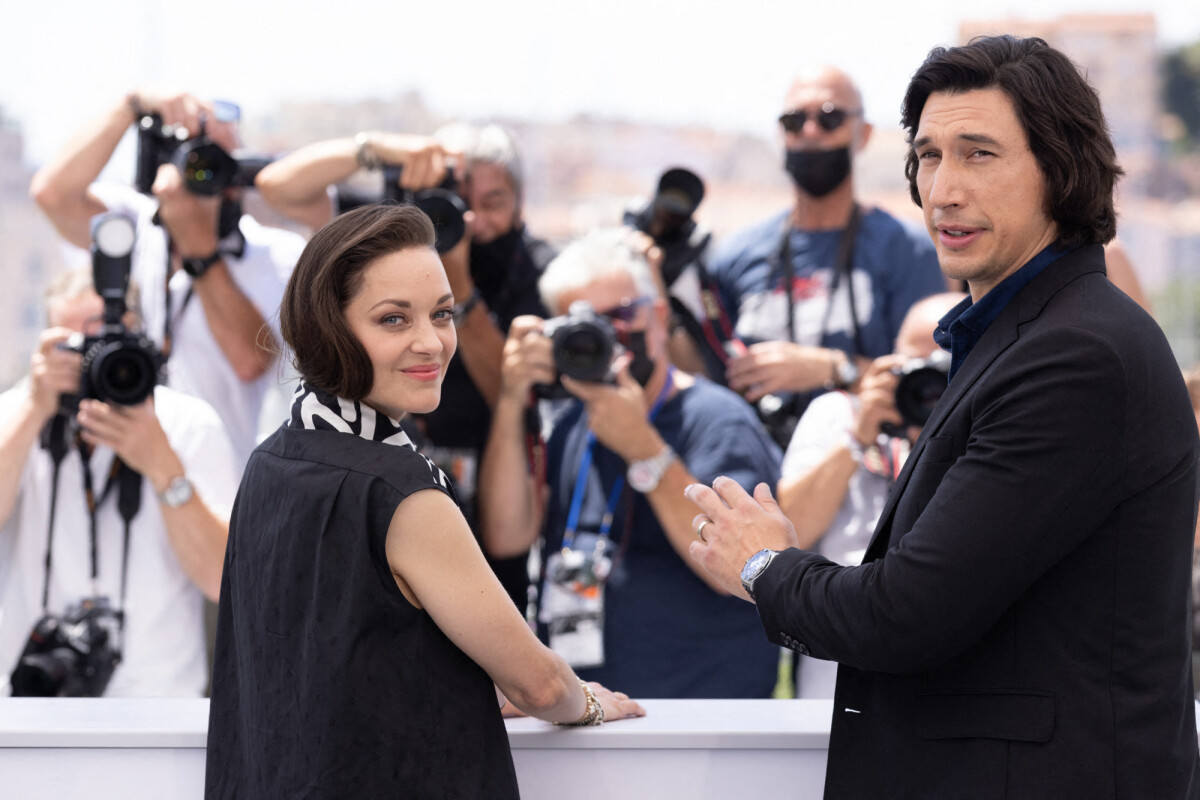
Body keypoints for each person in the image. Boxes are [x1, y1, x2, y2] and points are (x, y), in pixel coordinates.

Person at [686, 35, 1200, 797]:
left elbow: (906, 613)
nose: (943, 189)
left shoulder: (1077, 354)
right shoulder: (1028, 335)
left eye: (978, 154)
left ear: (1061, 171)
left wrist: (765, 566)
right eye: (928, 156)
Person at [204, 205, 643, 799]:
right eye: (392, 319)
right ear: (328, 329)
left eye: (442, 313)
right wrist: (588, 702)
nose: (430, 342)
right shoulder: (402, 491)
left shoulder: (271, 461)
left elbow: (339, 660)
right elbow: (539, 687)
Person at [255, 122, 553, 610]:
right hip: (374, 501)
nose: (473, 219)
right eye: (454, 200)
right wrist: (377, 149)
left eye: (493, 201)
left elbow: (518, 389)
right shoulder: (386, 242)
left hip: (491, 512)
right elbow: (278, 188)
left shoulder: (535, 269)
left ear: (521, 203)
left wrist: (461, 289)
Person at [478, 228, 783, 699]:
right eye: (581, 323)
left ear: (659, 318)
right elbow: (507, 536)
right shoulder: (572, 421)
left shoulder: (717, 420)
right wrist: (511, 397)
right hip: (592, 709)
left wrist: (645, 449)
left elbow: (744, 570)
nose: (608, 336)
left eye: (621, 315)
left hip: (696, 719)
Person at [29, 89, 307, 470]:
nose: (209, 178)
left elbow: (250, 362)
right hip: (132, 481)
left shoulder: (276, 253)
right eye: (195, 161)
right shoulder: (139, 225)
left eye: (221, 163)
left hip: (222, 479)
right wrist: (130, 106)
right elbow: (52, 196)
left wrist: (199, 247)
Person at [0, 268, 237, 696]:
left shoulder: (188, 424)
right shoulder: (18, 413)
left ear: (142, 344)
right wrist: (35, 410)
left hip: (158, 705)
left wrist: (163, 468)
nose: (89, 362)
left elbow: (224, 580)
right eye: (73, 346)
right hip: (30, 700)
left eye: (105, 344)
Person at [706, 65, 946, 446]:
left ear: (863, 134)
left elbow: (935, 383)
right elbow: (704, 375)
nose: (810, 132)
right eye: (794, 120)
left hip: (864, 478)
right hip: (753, 474)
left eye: (830, 118)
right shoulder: (735, 254)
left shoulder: (908, 250)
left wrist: (831, 368)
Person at [776, 292, 963, 698]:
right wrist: (859, 438)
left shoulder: (985, 427)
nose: (930, 388)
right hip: (836, 694)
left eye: (944, 368)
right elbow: (790, 534)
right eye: (917, 368)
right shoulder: (839, 416)